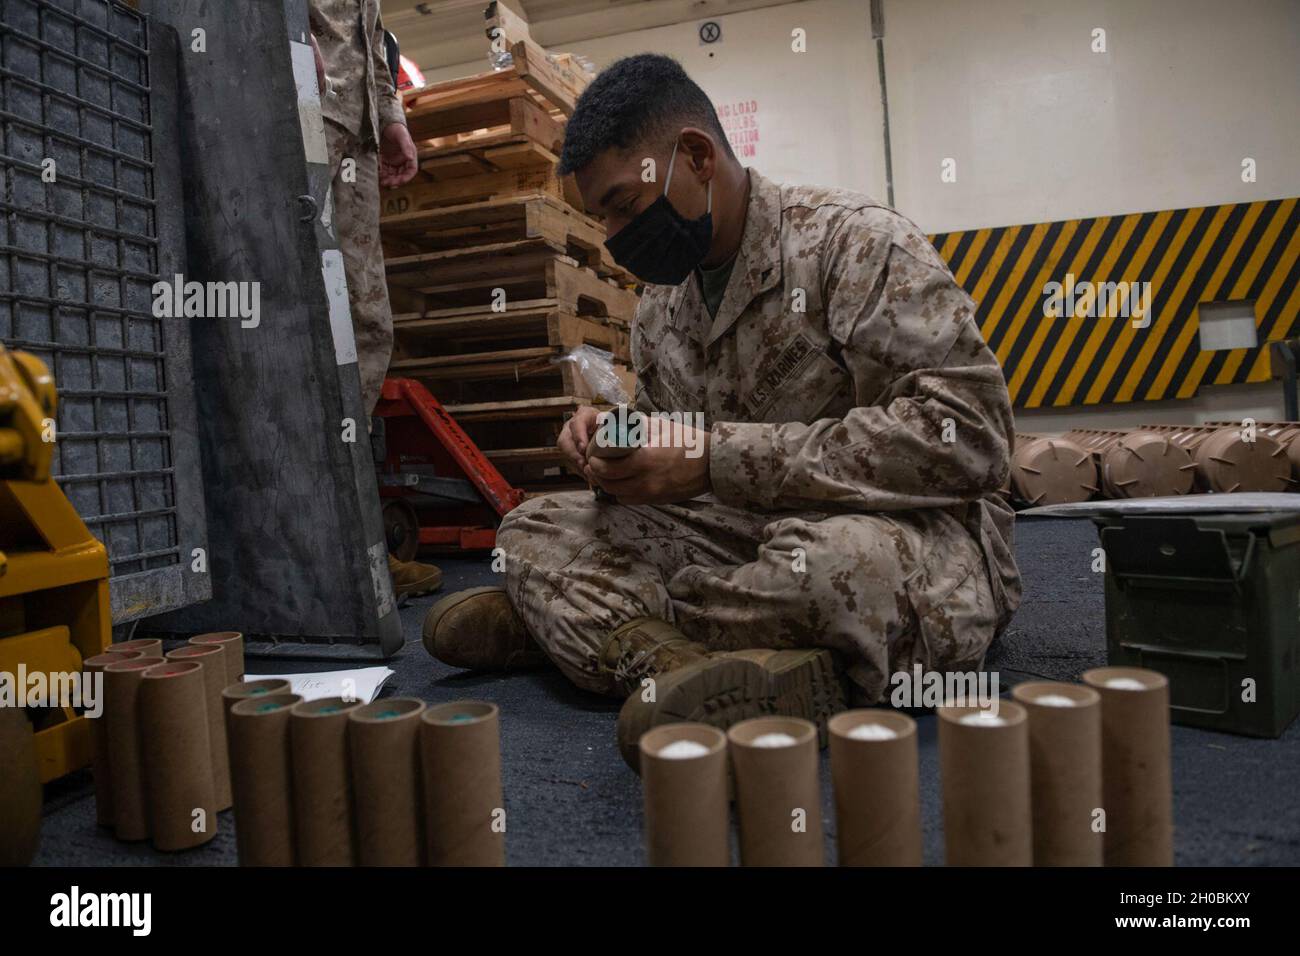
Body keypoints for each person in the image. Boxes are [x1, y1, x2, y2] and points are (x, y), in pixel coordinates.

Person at [423, 54, 1022, 766]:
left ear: (698, 157)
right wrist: (609, 445)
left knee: (841, 568)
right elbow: (659, 438)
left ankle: (594, 630)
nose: (614, 237)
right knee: (530, 528)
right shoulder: (661, 306)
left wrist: (716, 458)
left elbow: (971, 439)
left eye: (624, 205)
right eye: (601, 216)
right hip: (736, 539)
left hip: (892, 532)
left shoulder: (856, 245)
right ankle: (709, 668)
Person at [309, 1, 440, 598]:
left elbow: (367, 28)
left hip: (354, 133)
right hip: (295, 108)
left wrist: (390, 116)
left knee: (365, 324)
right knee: (295, 318)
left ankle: (352, 545)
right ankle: (300, 553)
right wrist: (277, 37)